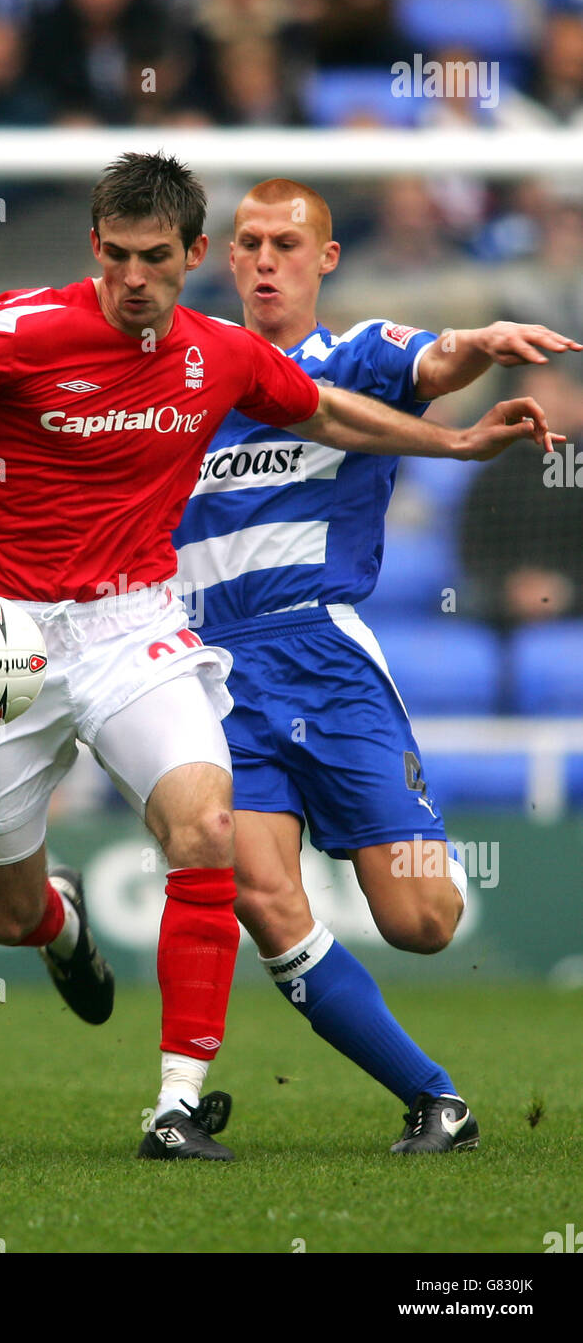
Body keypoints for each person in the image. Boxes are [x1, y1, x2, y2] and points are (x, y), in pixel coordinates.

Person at [0, 154, 559, 1162]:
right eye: (114, 256)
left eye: (155, 258)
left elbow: (365, 393)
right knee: (16, 908)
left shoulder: (260, 355)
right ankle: (69, 930)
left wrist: (462, 434)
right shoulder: (29, 329)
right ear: (99, 251)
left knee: (315, 871)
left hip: (168, 630)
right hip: (9, 635)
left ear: (190, 256)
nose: (132, 277)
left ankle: (178, 1102)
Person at [173, 176, 579, 1152]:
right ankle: (435, 1101)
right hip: (210, 672)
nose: (265, 259)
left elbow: (429, 363)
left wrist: (471, 345)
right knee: (264, 901)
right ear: (228, 259)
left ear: (325, 259)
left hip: (322, 657)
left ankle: (364, 831)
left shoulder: (349, 355)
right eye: (250, 243)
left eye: (286, 243)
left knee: (422, 918)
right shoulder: (180, 380)